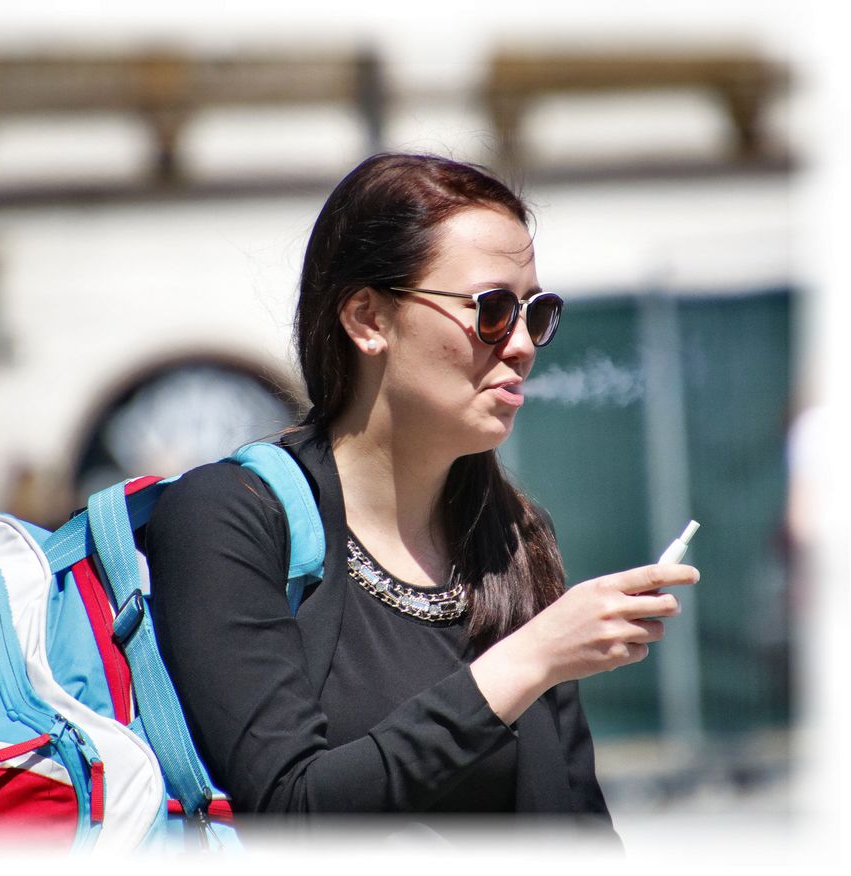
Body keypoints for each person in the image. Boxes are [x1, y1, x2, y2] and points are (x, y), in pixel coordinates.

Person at [146, 153, 698, 844]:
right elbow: (289, 808)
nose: (523, 346)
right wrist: (528, 660)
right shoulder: (229, 517)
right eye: (492, 310)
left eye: (537, 313)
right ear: (367, 319)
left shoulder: (515, 536)